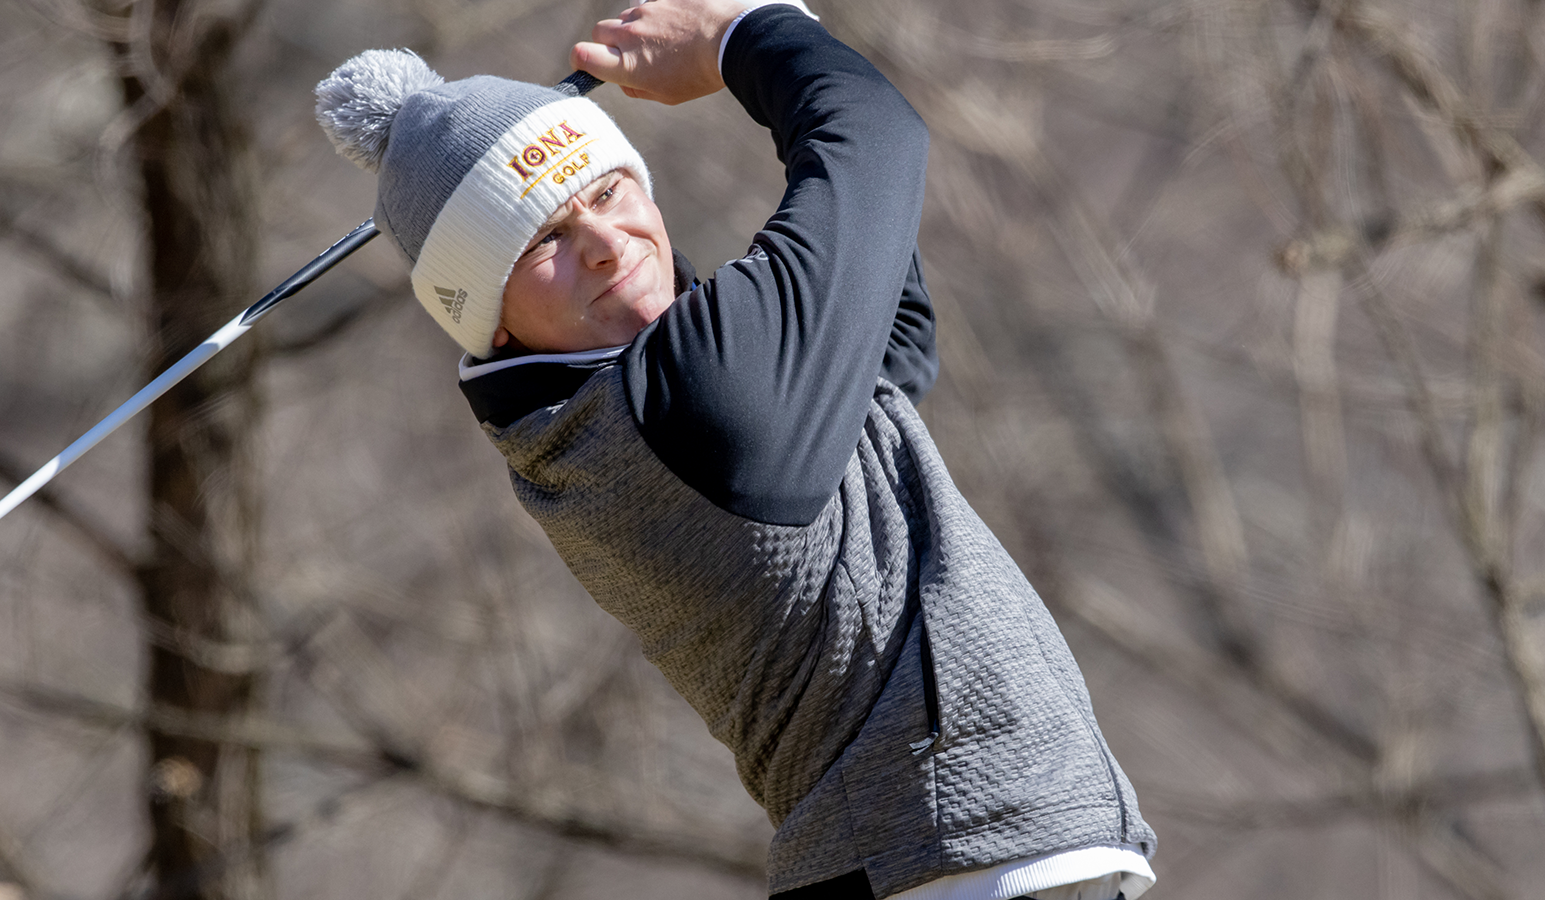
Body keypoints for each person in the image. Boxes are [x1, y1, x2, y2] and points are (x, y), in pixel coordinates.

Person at [314, 1, 1157, 897]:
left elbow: (891, 340)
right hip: (955, 862)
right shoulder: (689, 393)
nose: (604, 244)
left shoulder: (612, 412)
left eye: (606, 192)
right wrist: (745, 38)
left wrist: (781, 37)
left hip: (937, 860)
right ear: (491, 323)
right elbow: (875, 137)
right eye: (543, 241)